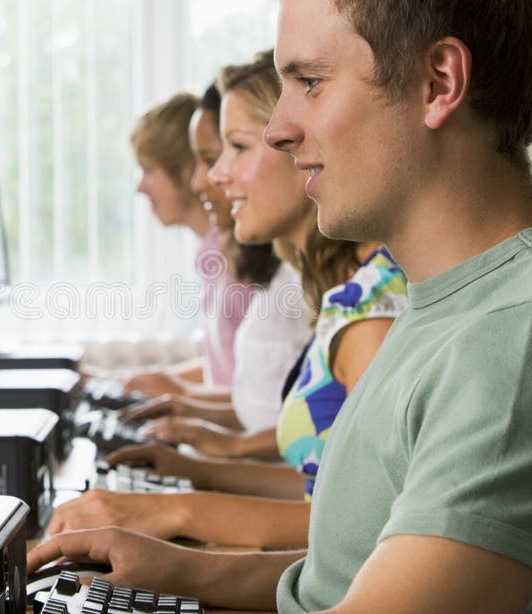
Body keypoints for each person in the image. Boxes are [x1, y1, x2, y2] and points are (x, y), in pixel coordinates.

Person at [259, 0, 532, 612]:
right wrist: (181, 570)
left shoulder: (527, 340)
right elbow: (346, 578)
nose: (277, 130)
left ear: (438, 82)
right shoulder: (453, 307)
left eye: (310, 82)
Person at [27, 52, 408, 610]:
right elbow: (328, 493)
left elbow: (369, 535)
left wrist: (179, 513)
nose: (213, 175)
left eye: (236, 148)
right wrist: (196, 472)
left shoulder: (372, 312)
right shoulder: (345, 298)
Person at [125, 82, 312, 458]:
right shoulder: (227, 258)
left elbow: (272, 403)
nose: (208, 178)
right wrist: (178, 395)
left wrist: (186, 400)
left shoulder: (255, 266)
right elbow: (254, 390)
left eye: (148, 169)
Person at [127, 92, 252, 391]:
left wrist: (176, 395)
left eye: (148, 169)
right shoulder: (213, 252)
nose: (140, 187)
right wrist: (131, 383)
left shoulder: (240, 261)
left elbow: (252, 390)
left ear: (185, 170)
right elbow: (225, 370)